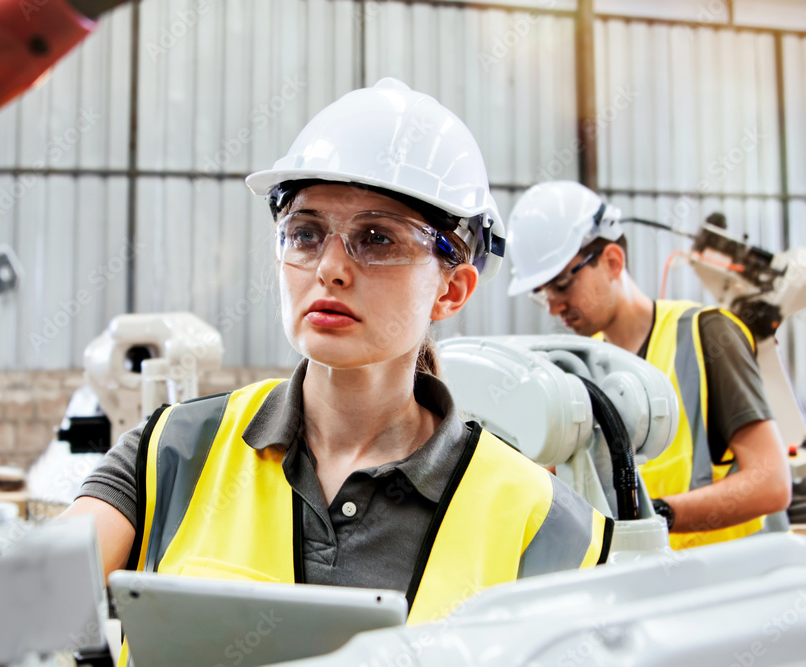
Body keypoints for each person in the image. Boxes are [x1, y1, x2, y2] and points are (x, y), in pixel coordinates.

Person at [61, 81, 612, 659]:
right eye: (305, 233)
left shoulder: (541, 520)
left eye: (376, 239)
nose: (330, 268)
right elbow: (29, 606)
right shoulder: (172, 452)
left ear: (451, 289)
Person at [505, 180, 792, 550]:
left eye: (561, 284)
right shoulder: (579, 365)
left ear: (612, 261)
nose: (554, 306)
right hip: (642, 587)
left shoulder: (705, 335)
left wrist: (654, 517)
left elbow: (771, 484)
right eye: (541, 294)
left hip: (727, 582)